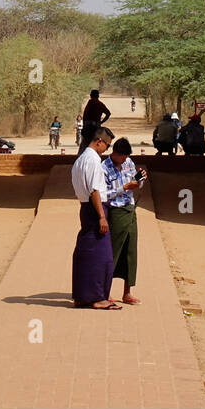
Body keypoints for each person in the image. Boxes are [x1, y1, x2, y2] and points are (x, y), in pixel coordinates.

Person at [71, 127, 120, 310]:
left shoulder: (80, 160)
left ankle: (83, 296)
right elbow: (94, 190)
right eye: (107, 145)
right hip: (95, 209)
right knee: (102, 257)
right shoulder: (92, 160)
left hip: (85, 208)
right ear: (99, 141)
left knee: (86, 253)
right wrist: (101, 216)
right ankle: (97, 296)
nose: (106, 149)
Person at [101, 137, 147, 305]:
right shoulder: (104, 168)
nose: (126, 159)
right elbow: (104, 194)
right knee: (113, 252)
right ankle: (105, 291)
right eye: (123, 156)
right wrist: (124, 188)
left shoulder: (129, 163)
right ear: (115, 153)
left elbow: (137, 183)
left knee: (130, 252)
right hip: (116, 212)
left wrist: (139, 181)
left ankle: (127, 292)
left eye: (128, 156)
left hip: (130, 210)